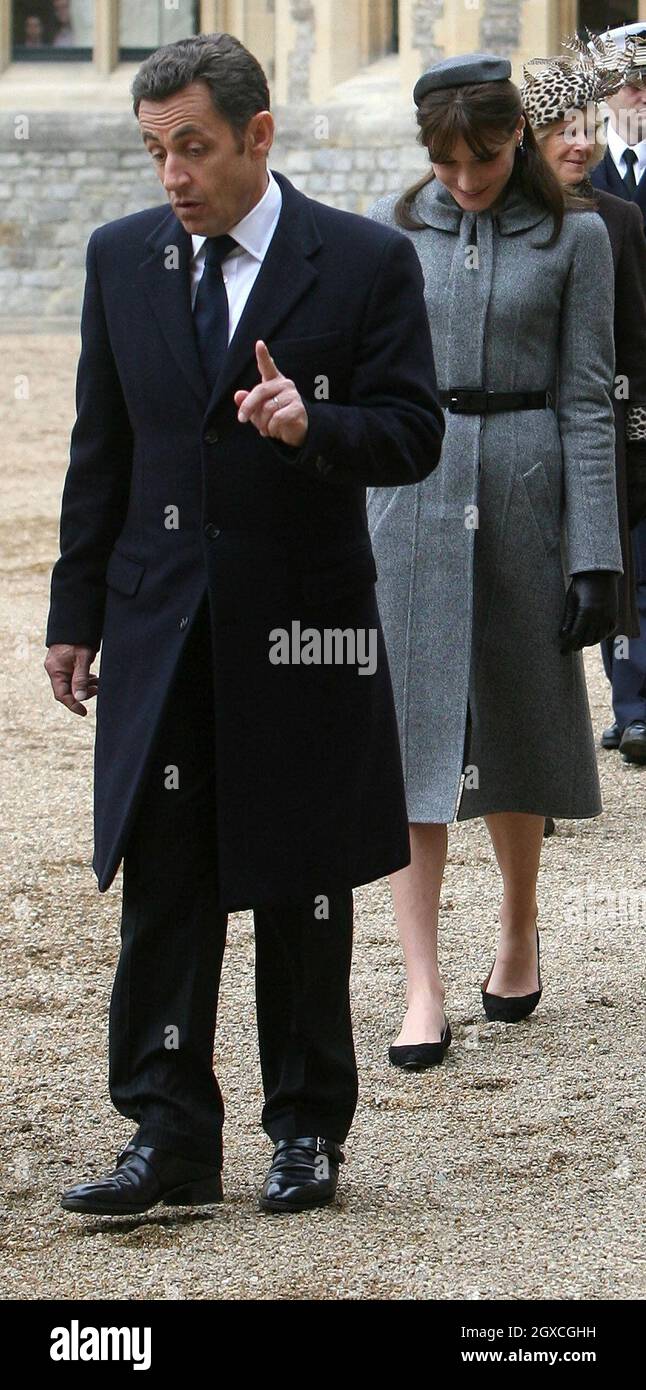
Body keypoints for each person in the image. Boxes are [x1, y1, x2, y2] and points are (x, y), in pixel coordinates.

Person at [43, 32, 444, 1215]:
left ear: (258, 137)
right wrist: (75, 612)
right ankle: (167, 1136)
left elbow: (412, 435)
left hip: (302, 632)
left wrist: (311, 429)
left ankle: (306, 1129)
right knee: (165, 883)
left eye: (194, 148)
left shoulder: (365, 261)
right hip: (162, 631)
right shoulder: (122, 259)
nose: (172, 174)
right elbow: (100, 448)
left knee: (301, 884)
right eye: (156, 150)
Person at [367, 52, 622, 1066]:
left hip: (527, 493)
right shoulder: (392, 231)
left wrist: (595, 554)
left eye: (480, 158)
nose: (463, 181)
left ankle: (517, 925)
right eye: (444, 162)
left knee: (515, 719)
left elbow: (587, 400)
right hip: (409, 496)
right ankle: (420, 982)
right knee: (412, 738)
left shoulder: (578, 237)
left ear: (516, 138)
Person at [589, 21, 646, 764]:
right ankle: (630, 698)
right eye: (628, 81)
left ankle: (635, 705)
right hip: (604, 390)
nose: (639, 92)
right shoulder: (572, 171)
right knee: (618, 546)